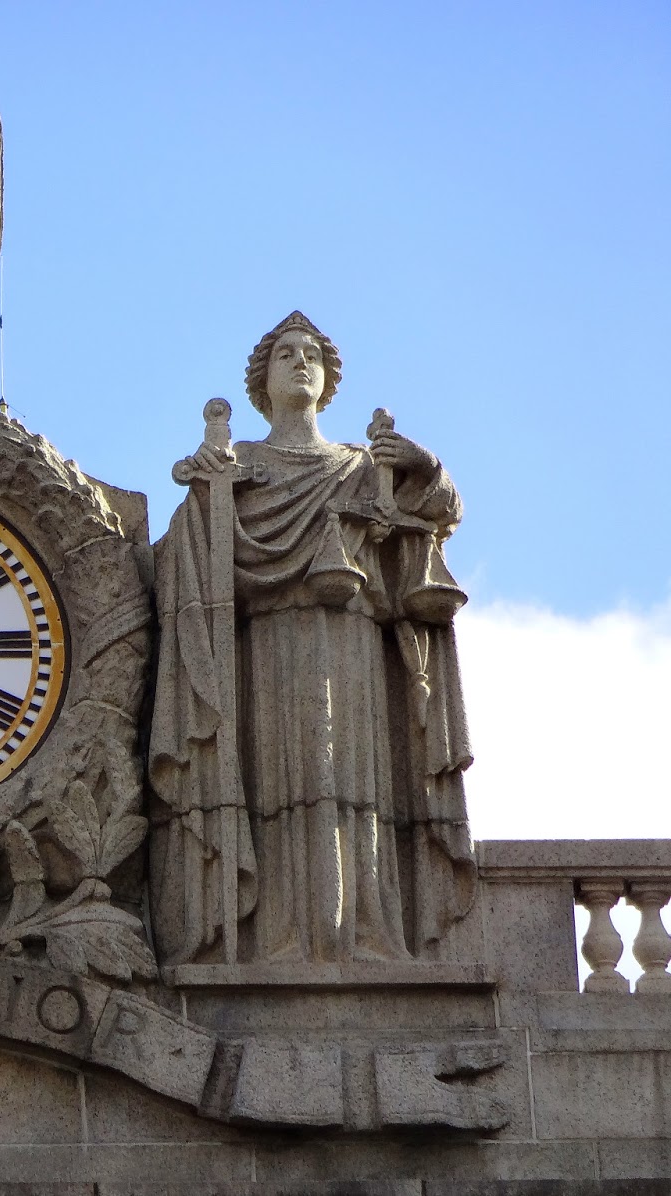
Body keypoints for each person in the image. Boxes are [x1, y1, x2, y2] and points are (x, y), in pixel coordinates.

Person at [148, 311, 475, 966]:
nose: (300, 361)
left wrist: (421, 465)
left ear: (327, 382)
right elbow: (176, 565)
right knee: (277, 794)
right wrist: (204, 503)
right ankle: (280, 935)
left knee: (354, 791)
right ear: (261, 383)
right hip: (268, 648)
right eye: (284, 355)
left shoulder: (362, 465)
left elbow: (439, 514)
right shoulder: (236, 466)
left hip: (353, 646)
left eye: (311, 356)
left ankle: (366, 933)